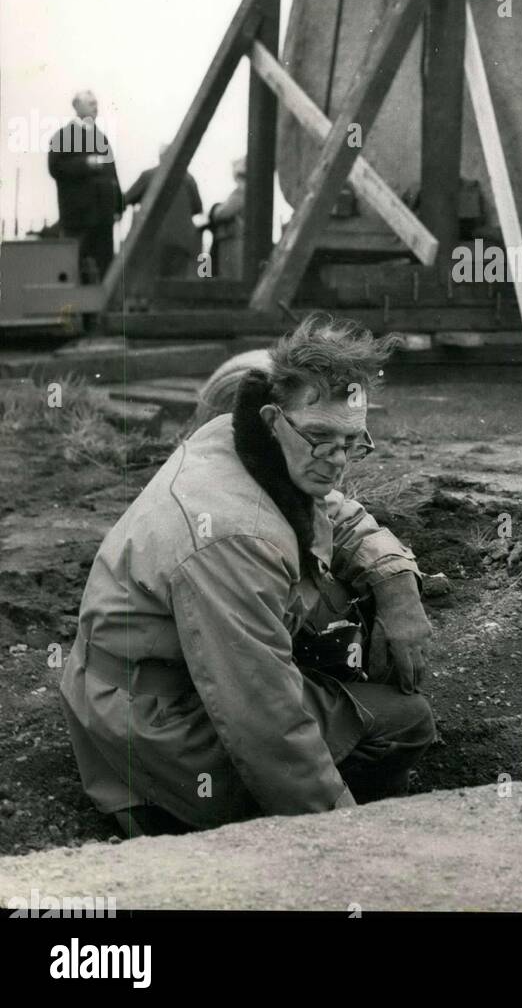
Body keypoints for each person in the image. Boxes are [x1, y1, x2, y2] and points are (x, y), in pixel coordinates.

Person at [60, 316, 435, 836]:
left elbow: (337, 513)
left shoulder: (249, 438)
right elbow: (267, 726)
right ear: (274, 418)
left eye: (353, 442)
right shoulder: (235, 538)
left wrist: (397, 588)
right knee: (406, 723)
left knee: (343, 603)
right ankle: (194, 825)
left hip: (156, 675)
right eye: (322, 438)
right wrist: (344, 843)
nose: (337, 462)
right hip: (156, 721)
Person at [47, 90, 123, 281]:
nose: (95, 107)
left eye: (96, 103)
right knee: (74, 269)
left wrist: (118, 206)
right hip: (78, 217)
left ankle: (100, 311)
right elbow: (55, 167)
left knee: (104, 270)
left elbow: (112, 174)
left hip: (103, 217)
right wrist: (86, 164)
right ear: (76, 106)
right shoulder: (63, 136)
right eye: (90, 103)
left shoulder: (102, 138)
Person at [122, 144, 203, 279]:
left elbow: (125, 200)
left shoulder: (149, 175)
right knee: (177, 283)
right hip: (182, 241)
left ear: (160, 157)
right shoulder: (188, 178)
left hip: (154, 239)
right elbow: (198, 208)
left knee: (153, 284)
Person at [208, 156, 246, 279]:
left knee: (230, 275)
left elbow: (222, 213)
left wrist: (215, 209)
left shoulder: (240, 192)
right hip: (239, 237)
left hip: (233, 239)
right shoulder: (248, 191)